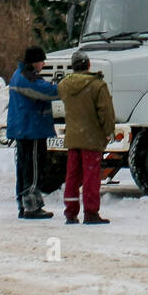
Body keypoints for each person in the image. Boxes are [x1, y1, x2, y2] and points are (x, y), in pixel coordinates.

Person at [58, 50, 116, 225]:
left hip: (73, 137)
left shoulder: (64, 85)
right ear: (88, 65)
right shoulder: (98, 86)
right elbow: (106, 112)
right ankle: (90, 213)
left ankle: (70, 212)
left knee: (72, 176)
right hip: (91, 138)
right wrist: (108, 132)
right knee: (91, 177)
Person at [6, 46, 60, 220]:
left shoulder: (18, 74)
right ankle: (32, 206)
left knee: (24, 168)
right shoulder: (27, 77)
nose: (43, 64)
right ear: (35, 61)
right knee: (34, 167)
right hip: (32, 129)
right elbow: (45, 91)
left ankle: (23, 204)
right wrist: (62, 87)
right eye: (42, 61)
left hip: (23, 128)